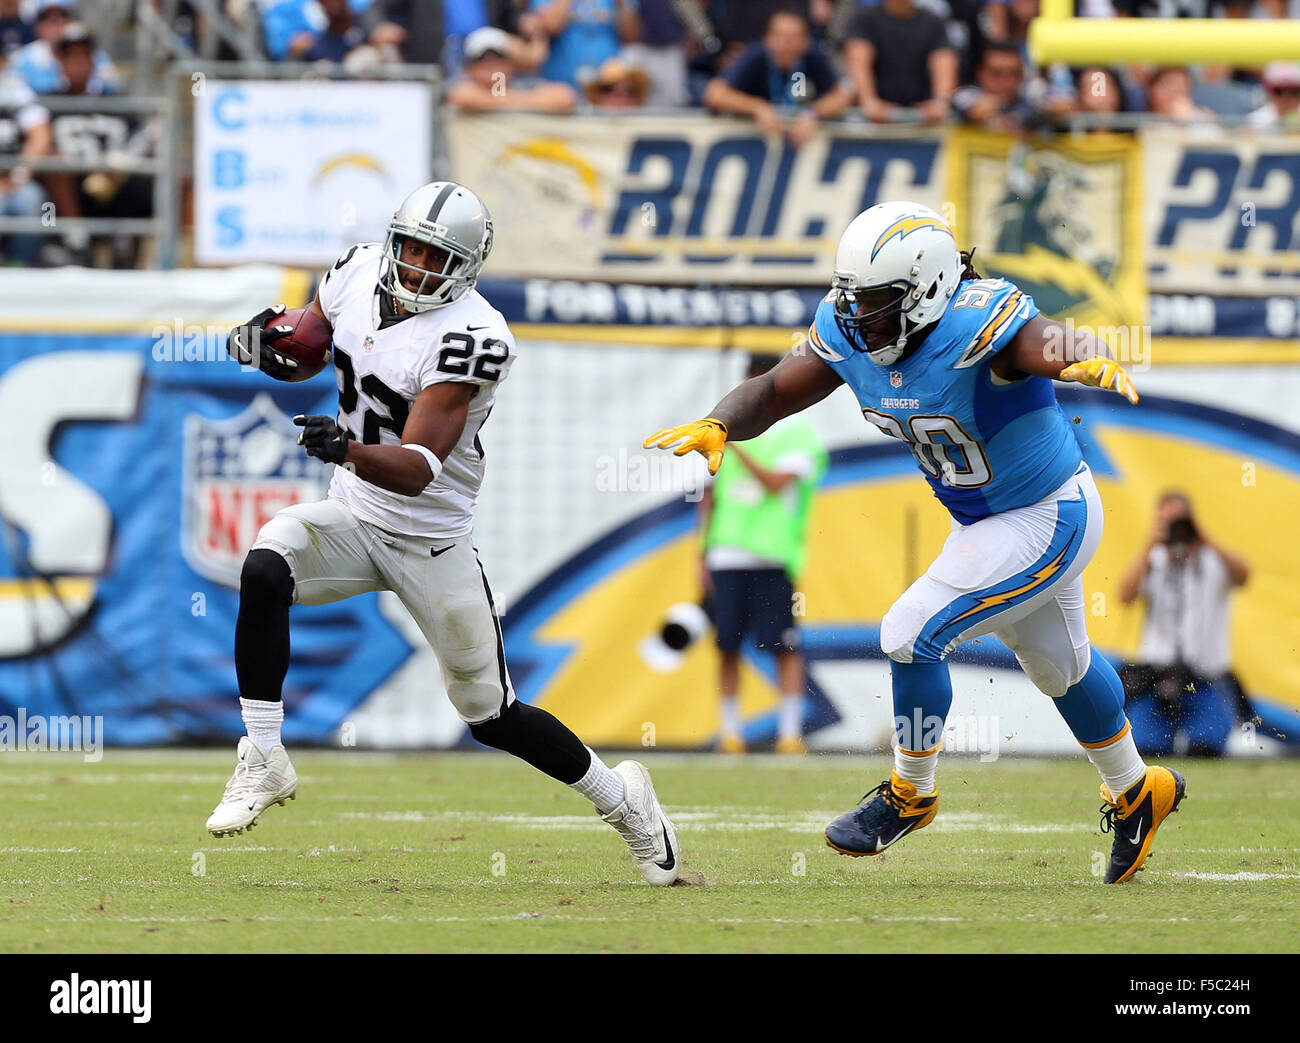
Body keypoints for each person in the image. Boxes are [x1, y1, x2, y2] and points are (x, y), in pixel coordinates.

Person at [645, 200, 1185, 885]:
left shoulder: (975, 321)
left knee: (909, 630)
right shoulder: (848, 331)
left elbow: (1041, 339)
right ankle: (1139, 790)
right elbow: (778, 389)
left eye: (875, 302)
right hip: (988, 521)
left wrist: (1080, 355)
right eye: (852, 298)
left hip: (1047, 514)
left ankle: (911, 792)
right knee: (1059, 666)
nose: (856, 316)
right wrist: (721, 422)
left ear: (928, 289)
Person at [211, 181, 680, 887]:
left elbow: (419, 468)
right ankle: (264, 753)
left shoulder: (475, 336)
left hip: (430, 539)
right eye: (412, 249)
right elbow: (312, 342)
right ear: (392, 240)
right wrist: (268, 343)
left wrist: (346, 448)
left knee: (490, 715)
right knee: (265, 568)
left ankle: (625, 802)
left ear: (466, 268)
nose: (419, 267)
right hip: (351, 515)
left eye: (438, 257)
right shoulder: (355, 269)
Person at [696, 354, 827, 755]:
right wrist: (701, 553)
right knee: (727, 648)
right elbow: (710, 496)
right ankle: (730, 733)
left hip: (772, 556)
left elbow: (775, 484)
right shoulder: (727, 432)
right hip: (726, 557)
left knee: (784, 646)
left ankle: (790, 733)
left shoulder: (798, 432)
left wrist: (737, 449)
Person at [1117, 491, 1249, 757]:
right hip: (1154, 679)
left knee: (1206, 749)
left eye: (1180, 521)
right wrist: (1149, 546)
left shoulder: (1213, 563)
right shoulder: (1152, 562)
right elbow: (1124, 597)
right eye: (1167, 522)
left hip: (1205, 679)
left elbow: (1243, 575)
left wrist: (1203, 539)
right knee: (1146, 750)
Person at [702, 9, 852, 147]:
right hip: (754, 143)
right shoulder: (755, 56)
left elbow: (842, 96)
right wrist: (757, 108)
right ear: (767, 38)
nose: (787, 43)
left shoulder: (813, 56)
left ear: (805, 41)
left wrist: (813, 113)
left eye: (794, 37)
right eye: (781, 36)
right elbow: (714, 94)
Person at [842, 0, 957, 124]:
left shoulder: (932, 21)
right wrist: (868, 101)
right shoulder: (865, 18)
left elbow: (944, 62)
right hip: (872, 120)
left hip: (921, 114)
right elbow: (858, 62)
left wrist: (940, 102)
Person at [446, 26, 577, 112]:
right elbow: (461, 96)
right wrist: (522, 102)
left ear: (510, 64)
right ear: (470, 67)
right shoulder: (462, 86)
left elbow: (565, 96)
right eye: (482, 58)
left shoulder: (523, 84)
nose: (490, 65)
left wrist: (508, 101)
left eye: (498, 57)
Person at [0, 46, 50, 266]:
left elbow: (40, 135)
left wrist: (20, 175)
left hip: (16, 180)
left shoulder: (15, 89)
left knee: (36, 202)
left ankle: (21, 266)